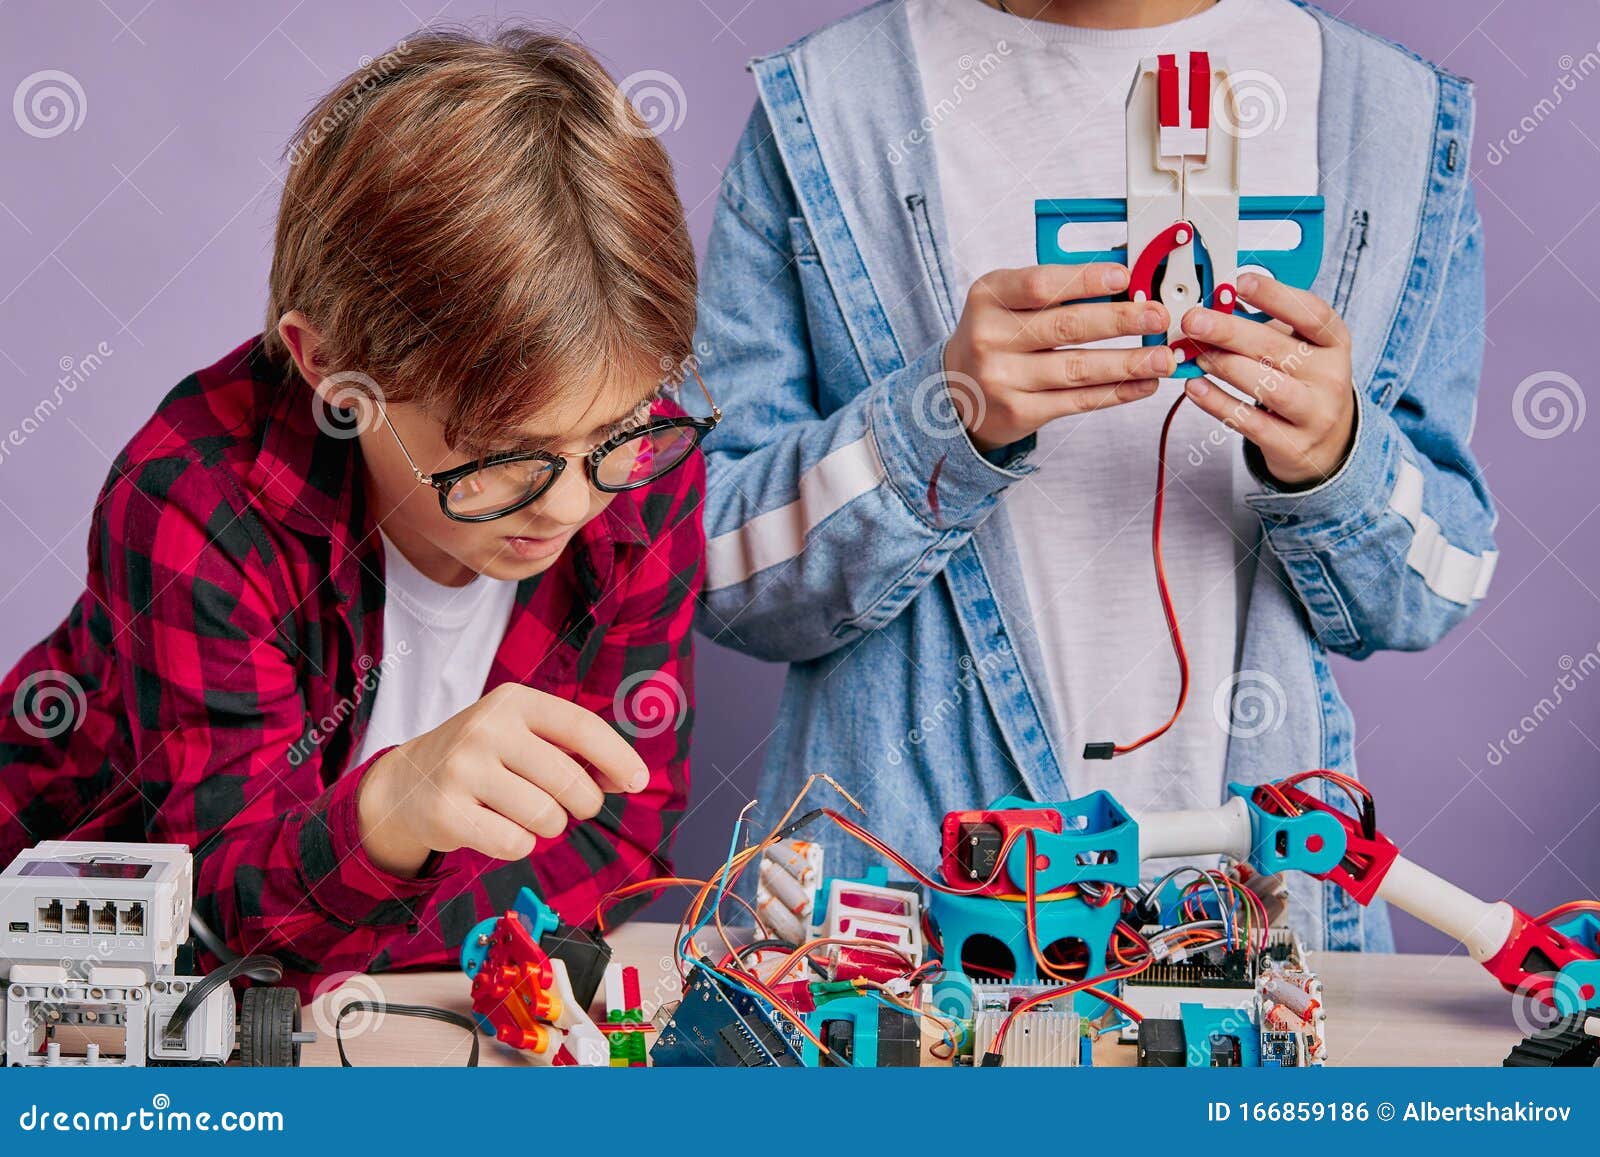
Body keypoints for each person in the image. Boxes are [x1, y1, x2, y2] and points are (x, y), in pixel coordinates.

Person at [695, 0, 1494, 951]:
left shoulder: (1391, 119)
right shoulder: (829, 106)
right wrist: (938, 425)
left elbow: (1437, 582)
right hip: (911, 921)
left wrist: (1339, 462)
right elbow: (718, 571)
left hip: (1250, 924)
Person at [0, 29, 711, 985]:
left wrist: (368, 931)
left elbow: (621, 839)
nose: (578, 503)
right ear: (328, 366)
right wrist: (394, 809)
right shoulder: (192, 499)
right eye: (508, 458)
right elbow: (214, 924)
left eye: (614, 434)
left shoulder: (644, 468)